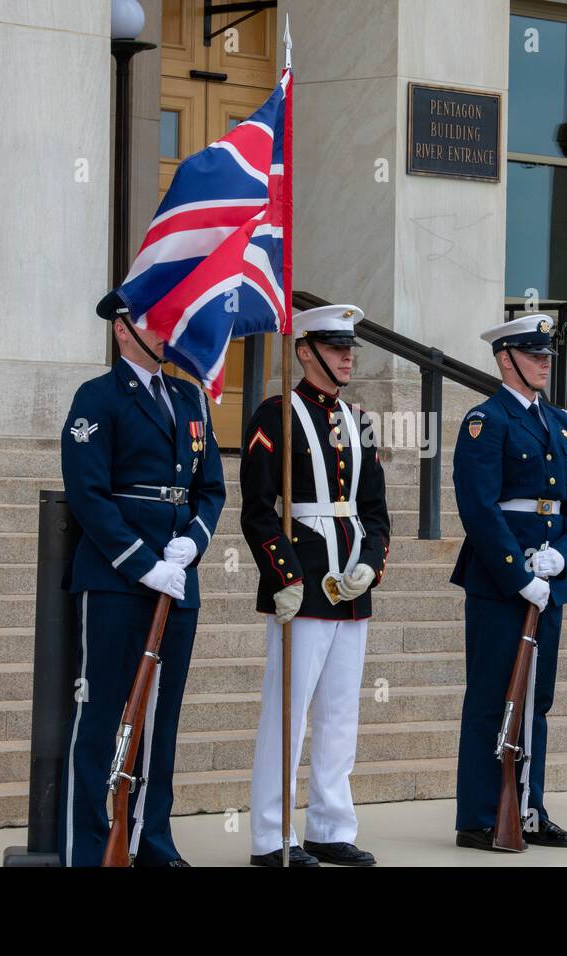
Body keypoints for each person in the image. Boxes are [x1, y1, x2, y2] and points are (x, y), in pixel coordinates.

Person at [56, 306, 225, 867]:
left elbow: (211, 491)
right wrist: (142, 563)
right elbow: (88, 493)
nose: (167, 331)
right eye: (154, 321)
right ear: (121, 329)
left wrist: (193, 543)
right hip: (114, 577)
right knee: (102, 712)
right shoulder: (98, 397)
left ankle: (150, 839)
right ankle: (89, 845)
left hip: (177, 578)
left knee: (161, 717)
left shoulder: (191, 399)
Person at [240, 304, 391, 867]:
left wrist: (370, 564)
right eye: (334, 346)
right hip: (300, 580)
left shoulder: (358, 419)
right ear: (304, 351)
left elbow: (375, 511)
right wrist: (284, 575)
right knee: (288, 714)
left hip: (351, 584)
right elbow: (258, 510)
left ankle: (330, 825)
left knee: (339, 713)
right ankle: (273, 836)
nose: (347, 355)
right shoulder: (274, 414)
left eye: (349, 346)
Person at [450, 312, 567, 852]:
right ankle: (480, 814)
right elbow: (479, 510)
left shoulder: (562, 424)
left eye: (547, 356)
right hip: (499, 582)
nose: (544, 363)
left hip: (549, 580)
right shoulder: (485, 421)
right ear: (505, 359)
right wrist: (518, 576)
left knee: (538, 698)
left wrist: (560, 556)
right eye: (534, 355)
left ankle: (530, 806)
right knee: (493, 695)